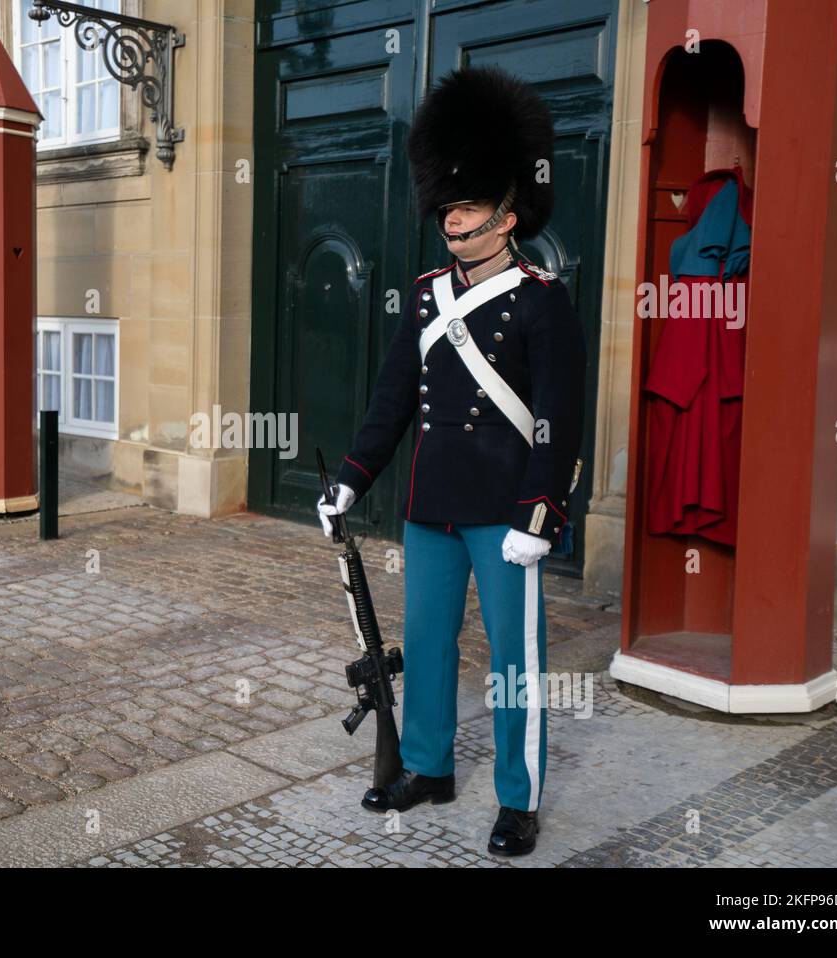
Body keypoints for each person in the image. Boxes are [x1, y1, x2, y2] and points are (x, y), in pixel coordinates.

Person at [317, 66, 586, 857]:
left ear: (508, 216)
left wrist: (541, 514)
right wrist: (351, 480)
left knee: (513, 662)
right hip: (432, 506)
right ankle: (430, 768)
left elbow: (559, 420)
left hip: (506, 514)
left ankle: (519, 798)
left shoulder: (542, 299)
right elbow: (391, 402)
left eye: (467, 206)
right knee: (429, 647)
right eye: (448, 205)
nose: (453, 217)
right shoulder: (428, 295)